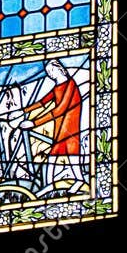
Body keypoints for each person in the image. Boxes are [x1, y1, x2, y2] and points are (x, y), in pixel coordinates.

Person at [9, 61, 84, 195]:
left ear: (60, 69)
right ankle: (49, 184)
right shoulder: (57, 87)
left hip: (70, 128)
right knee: (53, 156)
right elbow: (42, 102)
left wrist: (34, 123)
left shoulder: (70, 85)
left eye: (52, 71)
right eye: (48, 72)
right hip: (60, 128)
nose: (50, 74)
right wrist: (22, 111)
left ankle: (79, 180)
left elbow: (60, 110)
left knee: (72, 155)